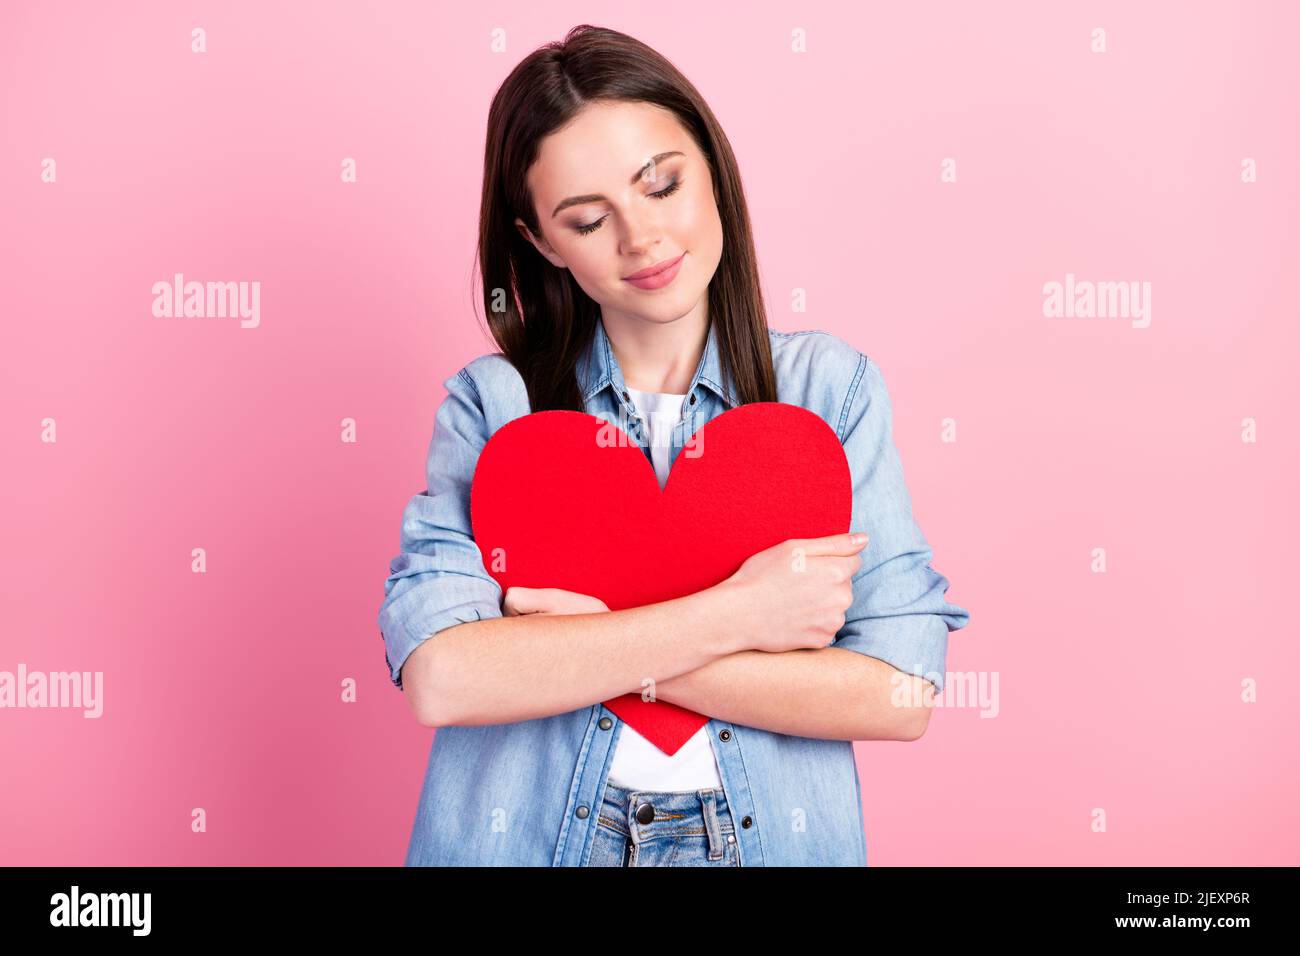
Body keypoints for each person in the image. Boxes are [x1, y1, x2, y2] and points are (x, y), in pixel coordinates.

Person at [377, 24, 971, 867]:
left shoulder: (828, 392)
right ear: (544, 241)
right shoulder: (496, 407)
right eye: (588, 219)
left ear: (713, 166)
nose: (642, 239)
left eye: (661, 184)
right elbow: (443, 678)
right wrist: (739, 617)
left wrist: (582, 649)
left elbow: (899, 693)